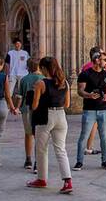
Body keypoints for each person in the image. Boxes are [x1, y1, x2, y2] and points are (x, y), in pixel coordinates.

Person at [27, 57, 73, 193]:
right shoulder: (65, 82)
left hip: (45, 117)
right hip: (61, 116)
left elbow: (34, 106)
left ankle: (41, 179)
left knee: (41, 149)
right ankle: (67, 181)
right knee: (61, 149)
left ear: (44, 68)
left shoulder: (41, 83)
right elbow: (67, 104)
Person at [75, 47, 106, 170]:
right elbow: (80, 91)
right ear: (97, 60)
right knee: (84, 136)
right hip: (89, 109)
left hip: (104, 109)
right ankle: (79, 161)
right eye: (104, 59)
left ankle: (105, 161)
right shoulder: (85, 74)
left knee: (104, 136)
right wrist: (89, 95)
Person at [14, 57, 43, 170]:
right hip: (40, 109)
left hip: (26, 109)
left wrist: (16, 107)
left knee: (28, 134)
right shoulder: (43, 78)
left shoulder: (24, 80)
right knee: (39, 136)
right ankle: (38, 161)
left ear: (27, 67)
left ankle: (28, 159)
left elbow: (20, 97)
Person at [5, 35, 29, 101]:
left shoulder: (25, 53)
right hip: (13, 73)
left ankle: (19, 107)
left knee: (21, 92)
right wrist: (7, 74)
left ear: (21, 44)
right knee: (9, 91)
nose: (17, 45)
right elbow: (7, 64)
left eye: (19, 43)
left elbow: (28, 62)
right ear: (14, 45)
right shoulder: (10, 53)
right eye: (16, 44)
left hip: (23, 74)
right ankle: (8, 106)